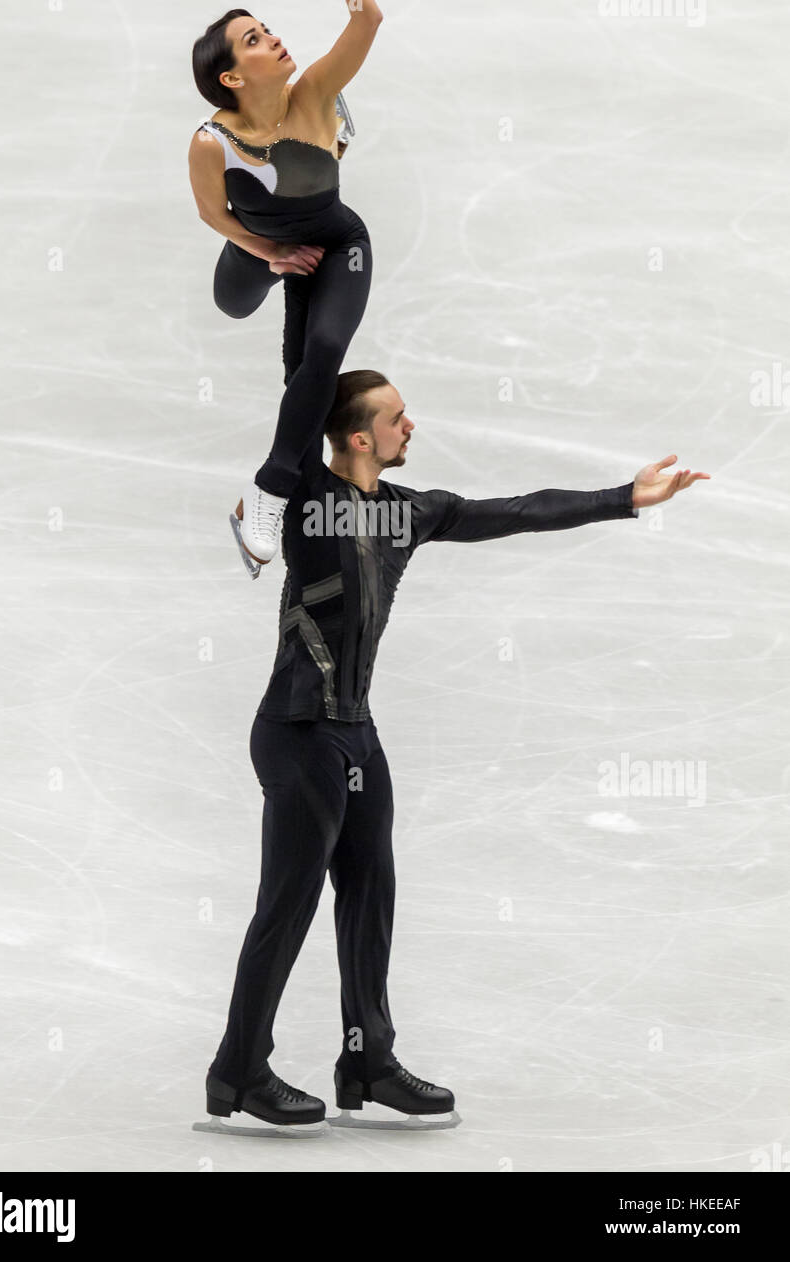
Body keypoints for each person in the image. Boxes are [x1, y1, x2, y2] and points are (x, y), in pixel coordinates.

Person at [201, 371, 710, 1132]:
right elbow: (304, 383)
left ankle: (366, 1059)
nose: (413, 427)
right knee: (289, 903)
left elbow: (517, 512)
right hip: (298, 730)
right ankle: (237, 1070)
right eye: (397, 419)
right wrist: (304, 283)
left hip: (356, 732)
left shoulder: (409, 513)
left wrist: (624, 497)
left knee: (372, 891)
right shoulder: (308, 499)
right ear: (359, 437)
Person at [188, 0, 382, 571]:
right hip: (258, 247)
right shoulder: (213, 142)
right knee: (234, 304)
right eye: (253, 40)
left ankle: (269, 495)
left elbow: (368, 18)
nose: (272, 38)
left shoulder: (316, 91)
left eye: (266, 29)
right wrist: (267, 252)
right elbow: (214, 215)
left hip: (335, 243)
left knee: (316, 359)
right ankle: (281, 492)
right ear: (233, 78)